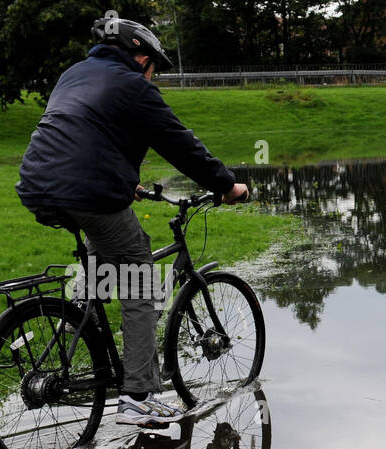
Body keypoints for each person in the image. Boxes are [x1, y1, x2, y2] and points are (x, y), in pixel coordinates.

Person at [16, 16, 249, 427]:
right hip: (86, 192)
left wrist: (128, 184)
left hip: (38, 185)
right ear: (140, 55)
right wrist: (227, 186)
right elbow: (182, 144)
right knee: (140, 274)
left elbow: (87, 133)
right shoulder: (133, 86)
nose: (154, 74)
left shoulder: (74, 75)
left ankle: (81, 338)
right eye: (155, 65)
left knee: (100, 269)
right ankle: (138, 395)